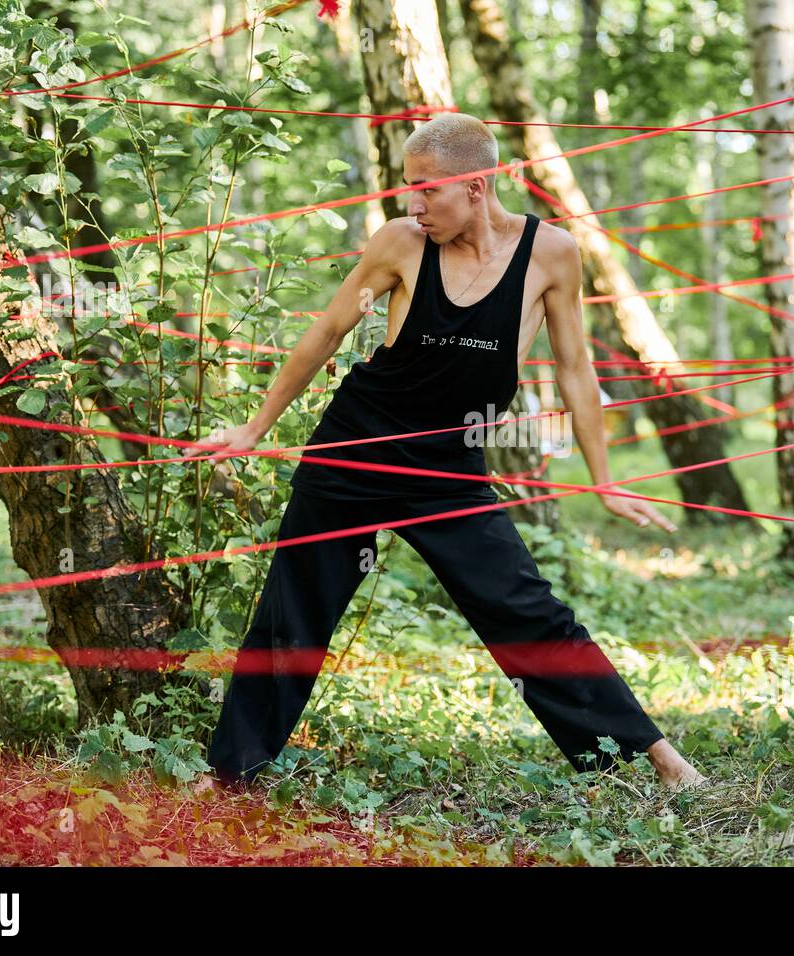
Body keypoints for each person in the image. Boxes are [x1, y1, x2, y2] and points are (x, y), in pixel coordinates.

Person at [187, 113, 706, 794]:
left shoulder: (551, 254)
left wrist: (604, 479)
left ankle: (661, 759)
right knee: (295, 612)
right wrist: (255, 428)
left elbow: (577, 369)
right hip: (354, 452)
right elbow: (327, 331)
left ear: (477, 185)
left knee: (525, 609)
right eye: (410, 189)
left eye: (428, 190)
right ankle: (231, 776)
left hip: (449, 470)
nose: (414, 204)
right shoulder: (401, 244)